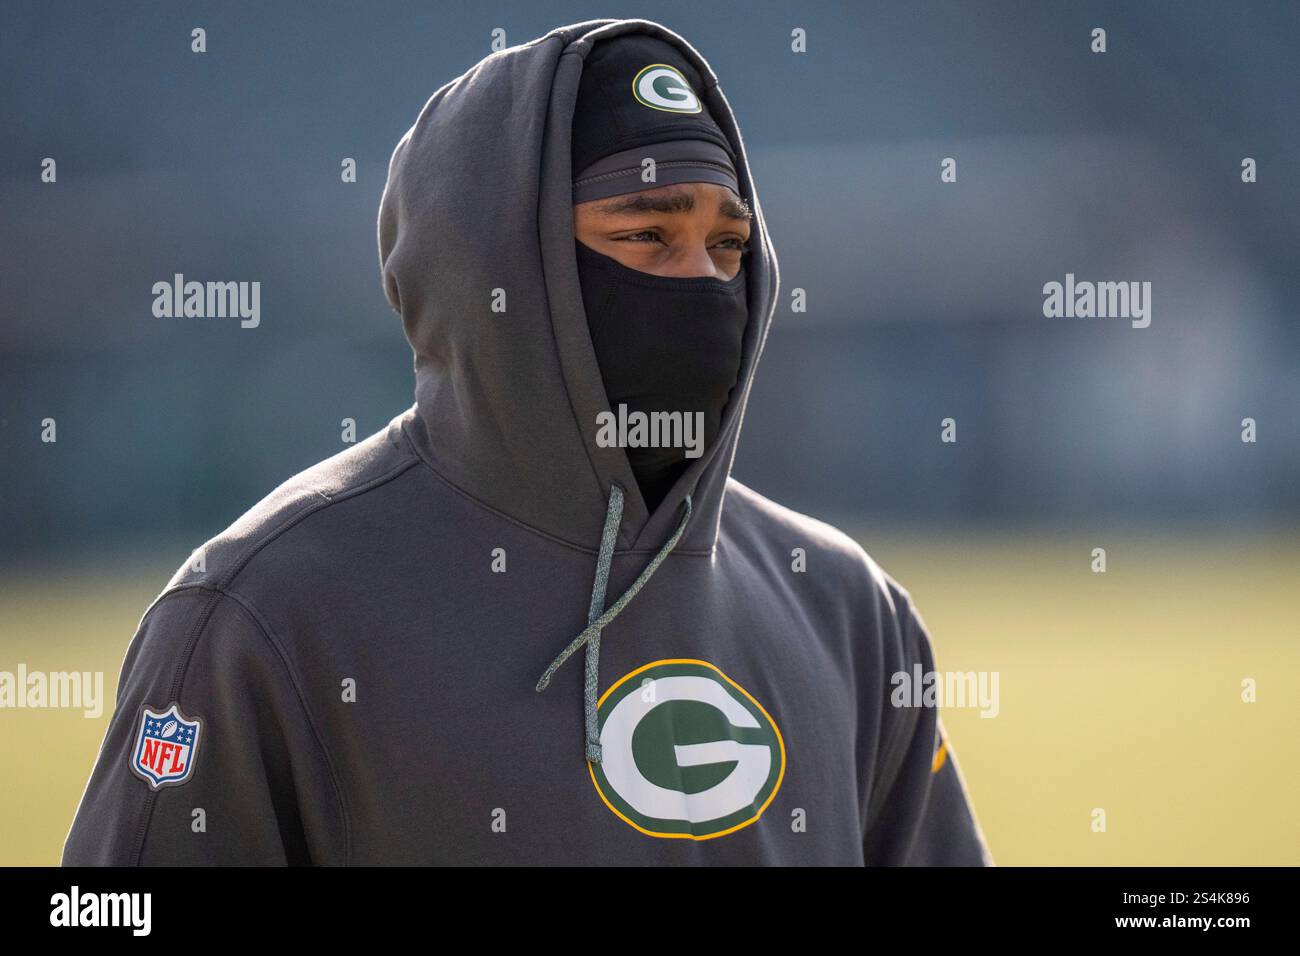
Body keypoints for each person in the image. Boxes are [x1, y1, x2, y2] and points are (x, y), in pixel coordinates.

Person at [63, 18, 991, 865]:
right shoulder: (261, 614)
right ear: (495, 266)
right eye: (645, 234)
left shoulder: (846, 609)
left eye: (728, 246)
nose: (705, 285)